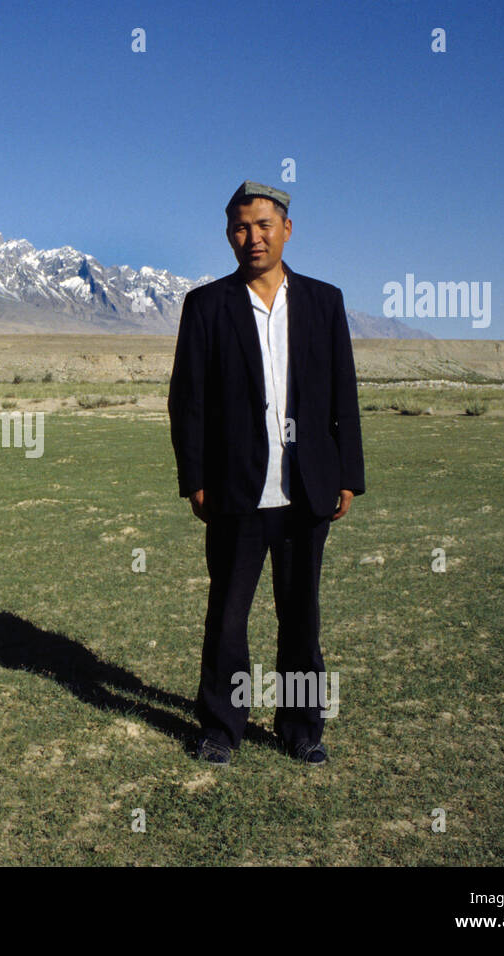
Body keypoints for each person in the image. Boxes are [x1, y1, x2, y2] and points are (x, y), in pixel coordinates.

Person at [167, 180, 365, 766]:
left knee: (301, 615)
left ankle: (302, 727)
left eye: (261, 225)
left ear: (285, 229)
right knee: (228, 616)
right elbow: (188, 401)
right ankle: (221, 729)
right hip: (236, 490)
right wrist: (194, 478)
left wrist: (348, 473)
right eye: (239, 228)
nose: (251, 237)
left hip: (308, 488)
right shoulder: (207, 305)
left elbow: (342, 395)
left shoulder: (324, 302)